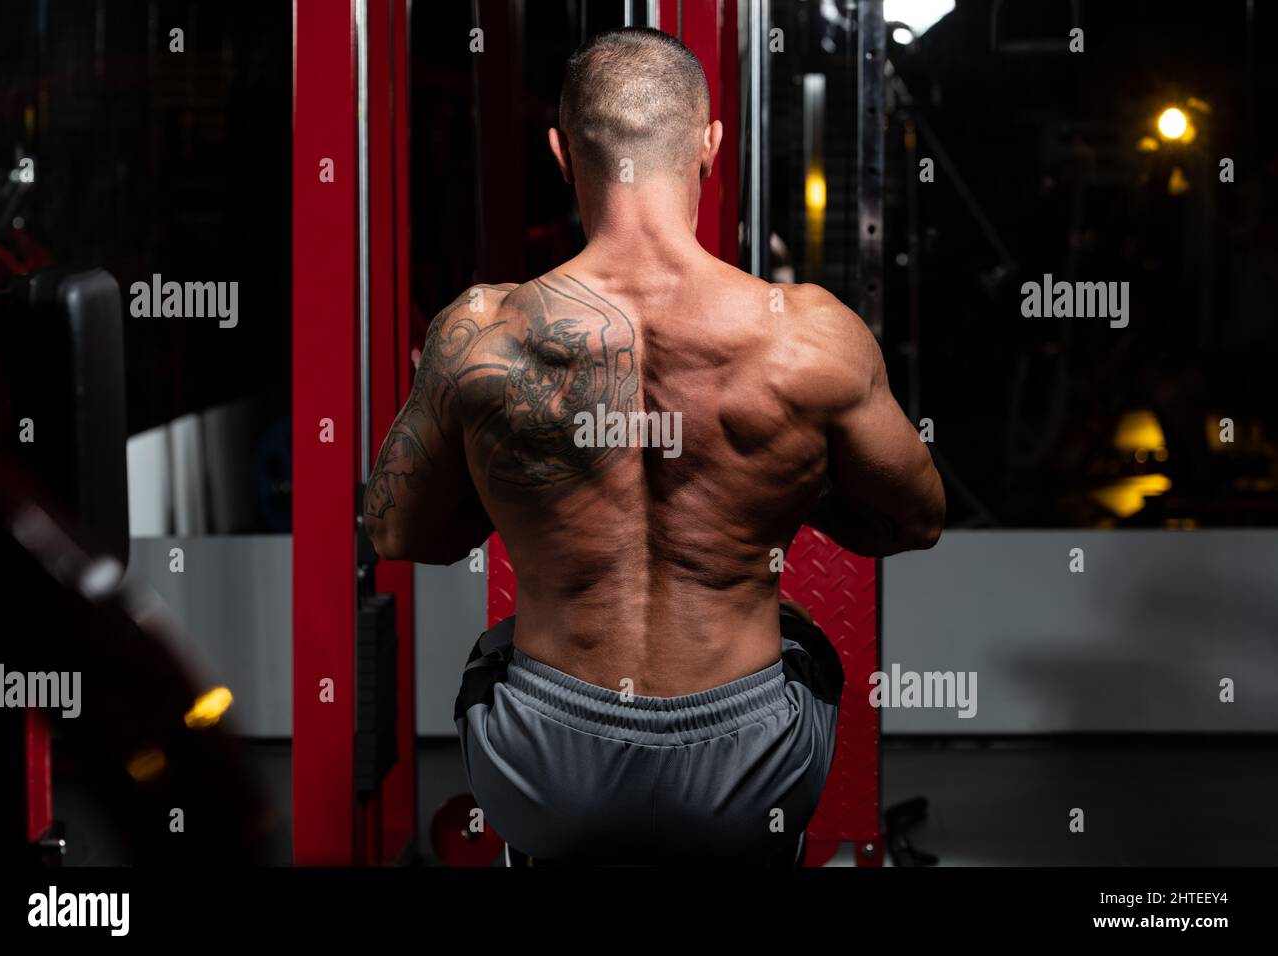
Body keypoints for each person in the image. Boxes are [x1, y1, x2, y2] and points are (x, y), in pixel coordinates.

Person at [363, 26, 944, 864]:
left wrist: (519, 490)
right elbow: (916, 519)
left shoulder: (480, 330)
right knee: (803, 644)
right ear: (710, 145)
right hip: (749, 763)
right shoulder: (811, 337)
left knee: (498, 658)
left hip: (548, 764)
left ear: (562, 153)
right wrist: (791, 486)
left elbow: (398, 532)